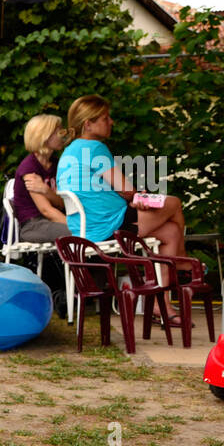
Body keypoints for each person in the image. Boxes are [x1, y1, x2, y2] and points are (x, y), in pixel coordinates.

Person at [56, 94, 188, 321]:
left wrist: (136, 197)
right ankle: (183, 264)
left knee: (171, 232)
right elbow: (127, 190)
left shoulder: (70, 150)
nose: (111, 122)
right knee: (173, 202)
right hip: (110, 224)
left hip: (87, 228)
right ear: (88, 124)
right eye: (105, 118)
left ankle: (162, 305)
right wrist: (139, 197)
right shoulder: (94, 148)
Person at [12, 113, 70, 243]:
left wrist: (46, 190)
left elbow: (61, 203)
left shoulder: (55, 163)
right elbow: (46, 210)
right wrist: (80, 227)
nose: (62, 135)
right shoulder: (29, 168)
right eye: (58, 132)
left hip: (51, 221)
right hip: (33, 225)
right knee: (77, 232)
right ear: (44, 136)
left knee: (87, 229)